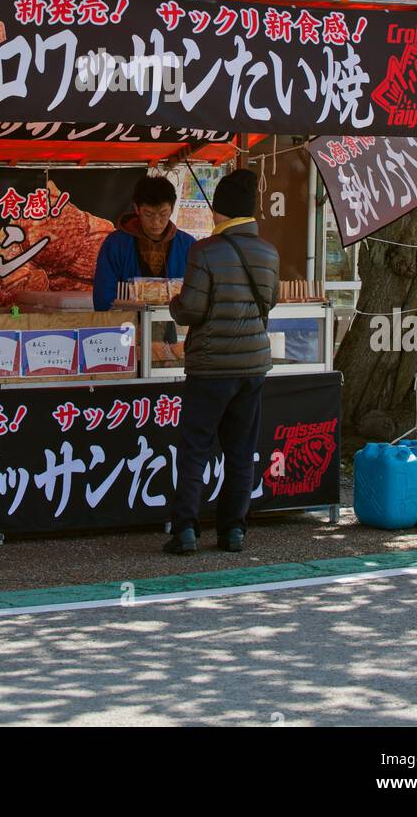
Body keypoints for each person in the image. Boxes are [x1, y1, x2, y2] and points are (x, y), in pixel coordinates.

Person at [164, 167, 278, 555]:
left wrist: (173, 304)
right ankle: (233, 531)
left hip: (211, 368)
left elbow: (192, 310)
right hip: (252, 368)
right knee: (241, 450)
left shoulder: (205, 250)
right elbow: (269, 303)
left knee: (196, 448)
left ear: (221, 210)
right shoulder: (268, 252)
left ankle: (185, 532)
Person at [93, 174, 196, 311]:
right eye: (148, 214)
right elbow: (103, 296)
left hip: (174, 326)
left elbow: (197, 295)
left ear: (171, 209)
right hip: (127, 326)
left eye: (163, 213)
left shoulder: (188, 246)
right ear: (137, 209)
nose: (156, 222)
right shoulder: (116, 244)